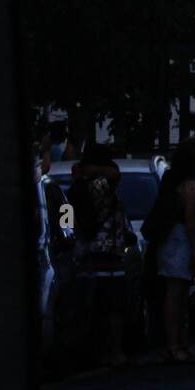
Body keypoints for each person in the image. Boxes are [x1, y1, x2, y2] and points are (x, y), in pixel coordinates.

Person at [67, 142, 133, 367]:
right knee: (113, 304)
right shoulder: (100, 184)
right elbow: (114, 175)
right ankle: (114, 351)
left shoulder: (77, 186)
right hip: (107, 249)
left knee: (94, 304)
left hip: (87, 250)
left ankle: (96, 351)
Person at [143, 142, 195, 363]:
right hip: (180, 240)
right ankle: (176, 344)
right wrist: (194, 247)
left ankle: (175, 343)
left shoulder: (169, 181)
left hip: (168, 239)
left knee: (173, 293)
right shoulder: (190, 186)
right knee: (176, 294)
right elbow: (189, 219)